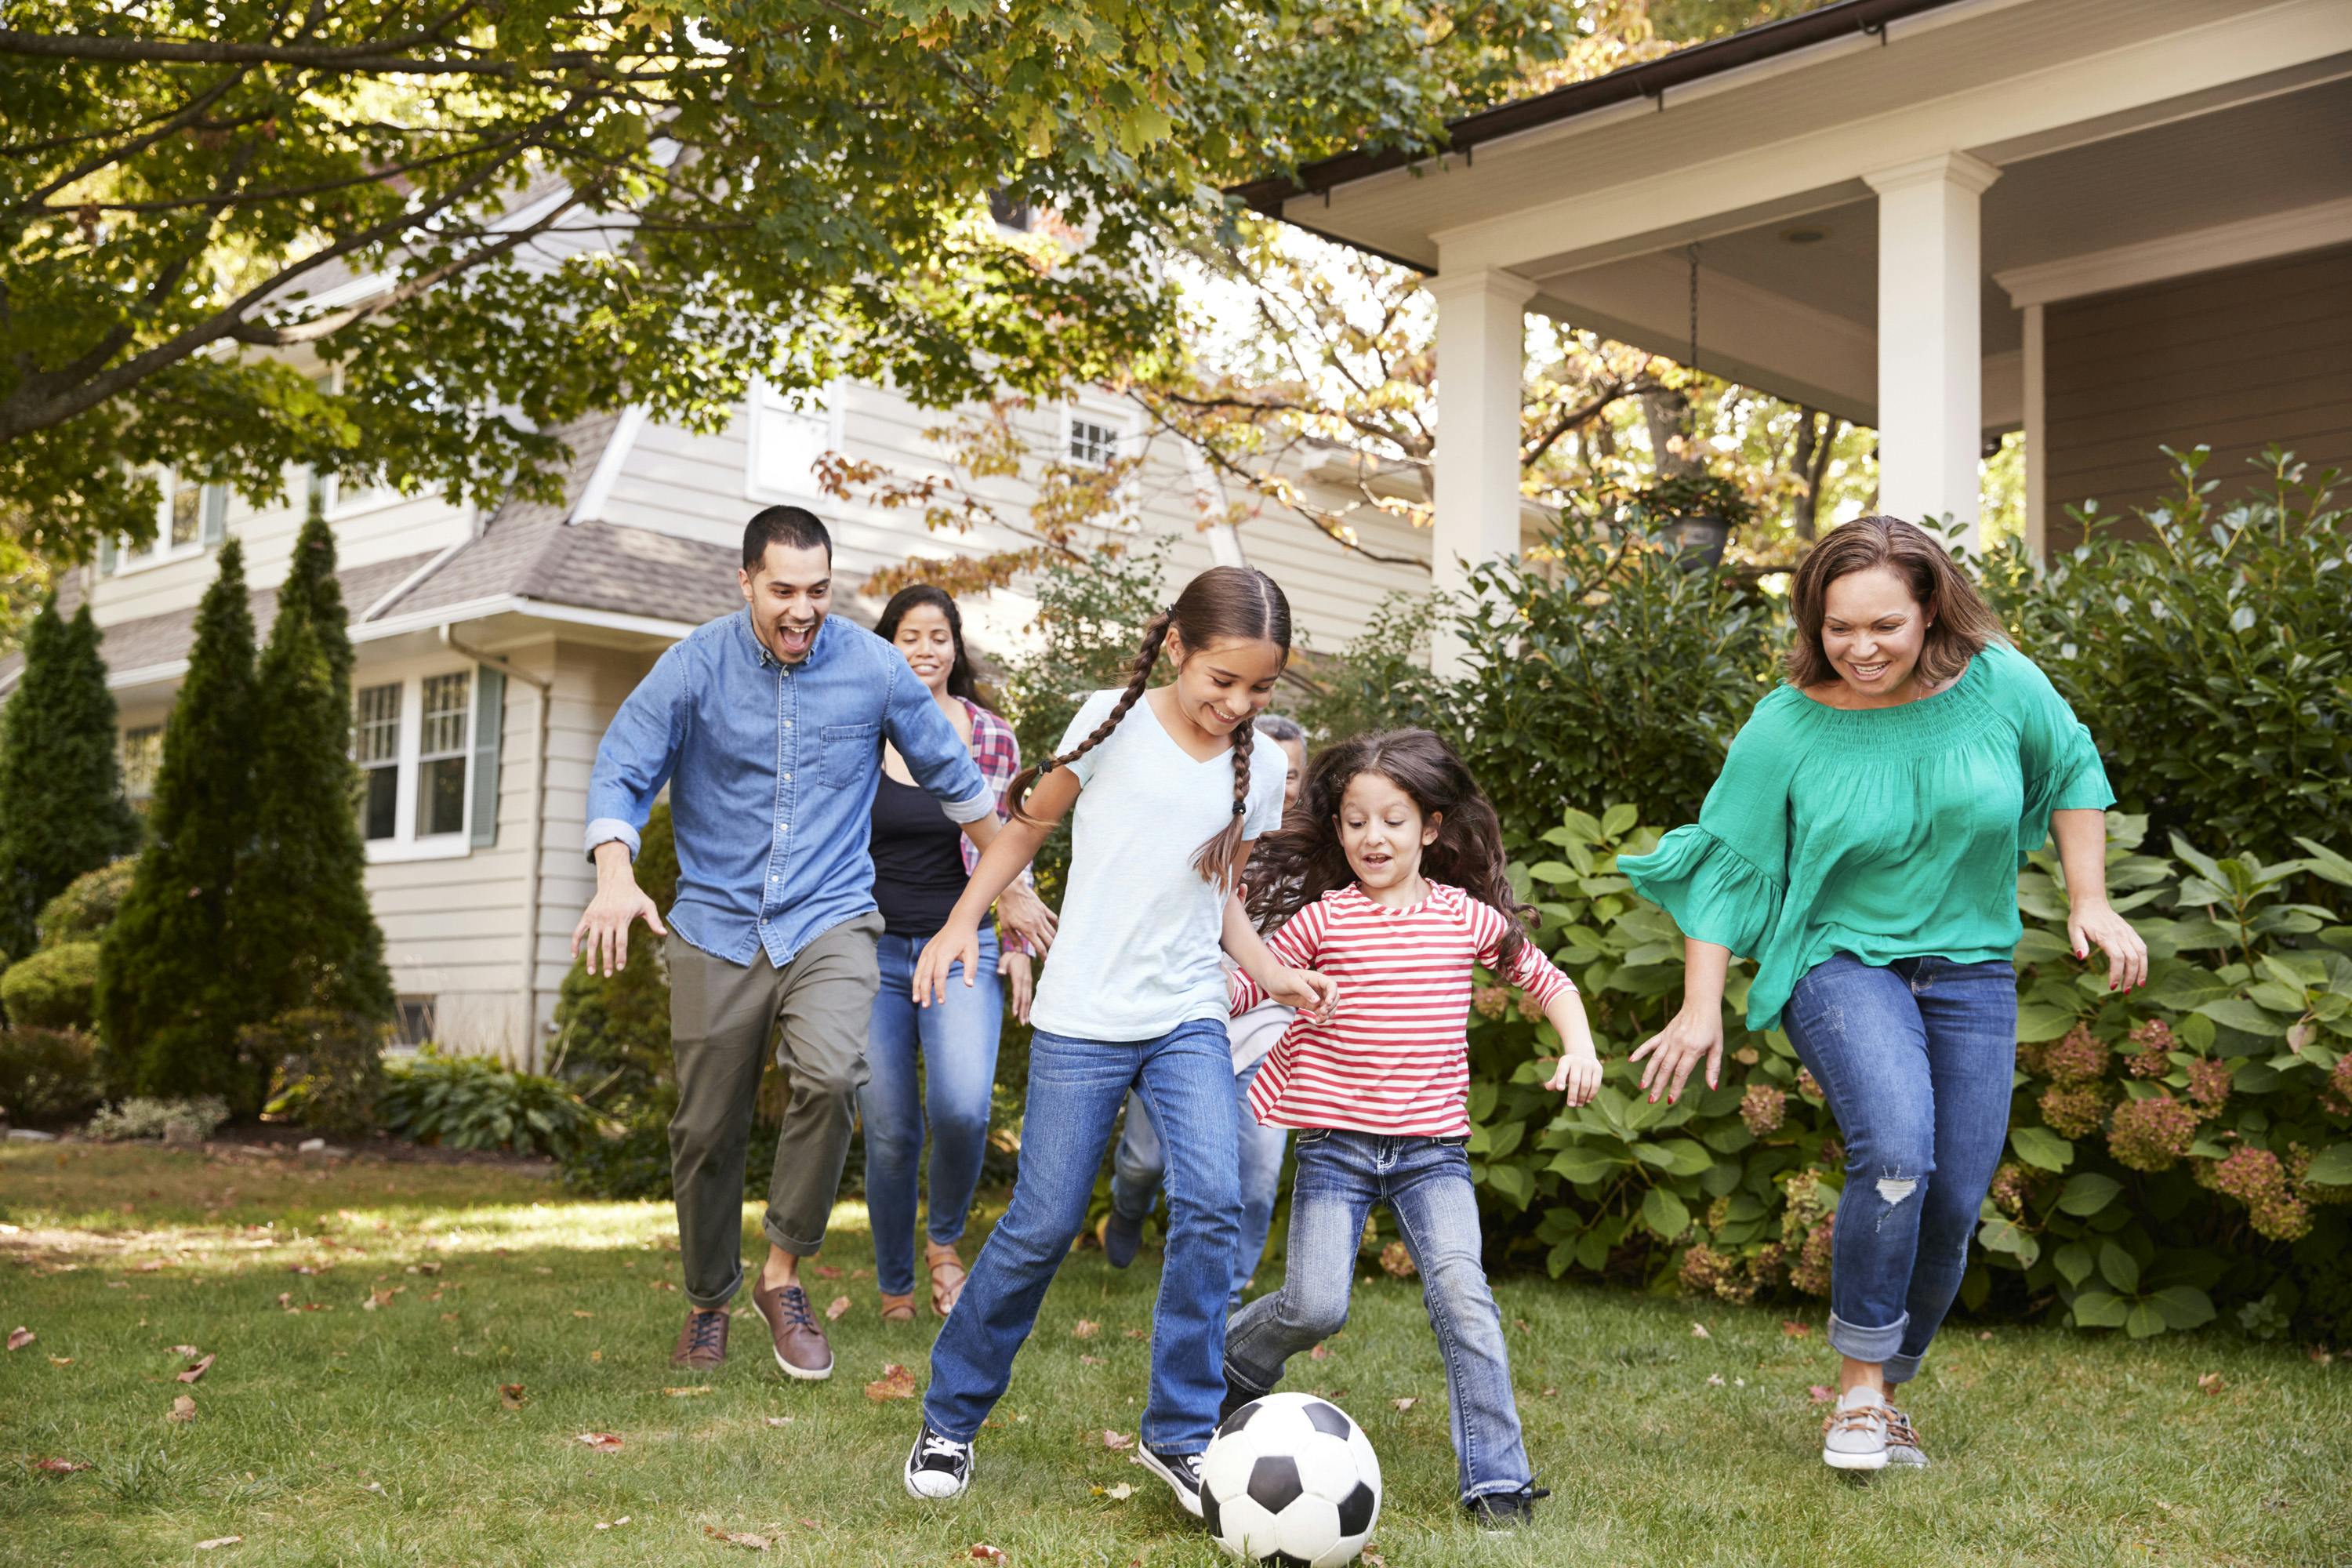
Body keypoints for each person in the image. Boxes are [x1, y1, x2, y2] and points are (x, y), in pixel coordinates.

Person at [1617, 515, 2147, 1473]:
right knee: (1896, 1149)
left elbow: (2072, 768)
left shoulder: (2000, 683)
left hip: (1972, 969)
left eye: (1885, 627)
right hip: (1839, 960)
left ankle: (1890, 1397)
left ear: (1930, 609)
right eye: (1837, 628)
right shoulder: (1787, 723)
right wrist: (1702, 1003)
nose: (1860, 648)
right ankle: (1857, 1394)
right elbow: (1728, 864)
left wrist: (2091, 898)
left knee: (1951, 1196)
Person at [572, 506, 1051, 1381]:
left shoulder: (870, 666)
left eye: (819, 591)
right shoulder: (695, 666)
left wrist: (1010, 880)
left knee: (833, 1076)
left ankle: (782, 1272)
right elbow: (624, 766)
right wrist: (614, 867)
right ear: (746, 580)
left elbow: (954, 775)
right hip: (716, 923)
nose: (802, 609)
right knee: (705, 1129)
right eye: (783, 589)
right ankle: (709, 1296)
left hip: (830, 915)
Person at [898, 566, 1337, 1515]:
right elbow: (1020, 832)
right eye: (1223, 679)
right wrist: (958, 922)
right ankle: (950, 1416)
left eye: (1259, 688)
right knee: (1043, 1224)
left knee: (1217, 1202)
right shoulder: (1111, 718)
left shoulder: (1260, 765)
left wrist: (1271, 973)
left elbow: (1221, 893)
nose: (1238, 703)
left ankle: (1179, 1433)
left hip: (1185, 1013)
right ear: (1178, 647)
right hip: (1085, 1015)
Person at [1217, 728, 1601, 1529]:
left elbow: (1547, 979)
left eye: (1392, 819)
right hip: (1338, 1148)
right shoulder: (1323, 919)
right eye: (1355, 821)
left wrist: (1580, 1044)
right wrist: (1218, 996)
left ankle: (1497, 1481)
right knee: (1315, 1305)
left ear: (1429, 827)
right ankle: (1230, 1355)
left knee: (1464, 1296)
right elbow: (1250, 984)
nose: (1372, 837)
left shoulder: (1463, 917)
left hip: (1432, 1154)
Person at [860, 584, 1044, 1323]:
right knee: (890, 1126)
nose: (926, 650)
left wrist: (1019, 940)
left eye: (940, 636)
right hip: (867, 951)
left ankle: (943, 1242)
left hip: (960, 946)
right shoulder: (858, 730)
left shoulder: (992, 736)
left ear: (955, 647)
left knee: (964, 1108)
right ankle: (895, 1282)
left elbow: (1013, 844)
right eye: (910, 636)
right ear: (888, 646)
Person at [1102, 713, 1308, 1302]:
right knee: (1144, 1160)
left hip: (1266, 1028)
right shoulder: (1199, 825)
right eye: (1276, 769)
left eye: (1294, 774)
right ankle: (1126, 1209)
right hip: (1179, 1016)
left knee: (1260, 1169)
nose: (1283, 782)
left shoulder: (1318, 860)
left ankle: (1230, 1287)